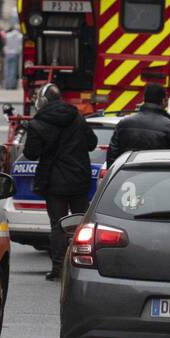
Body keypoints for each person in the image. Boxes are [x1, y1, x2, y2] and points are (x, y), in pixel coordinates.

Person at [23, 83, 98, 280]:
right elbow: (92, 143)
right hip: (79, 178)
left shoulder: (38, 123)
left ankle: (58, 268)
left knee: (57, 224)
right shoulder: (76, 117)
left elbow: (30, 153)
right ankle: (82, 265)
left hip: (54, 181)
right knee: (81, 224)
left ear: (42, 101)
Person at [107, 83, 170, 165]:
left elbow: (112, 155)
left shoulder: (123, 124)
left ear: (144, 99)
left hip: (127, 175)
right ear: (163, 101)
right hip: (159, 175)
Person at [3, 23, 23, 91]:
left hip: (8, 53)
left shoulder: (8, 35)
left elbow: (5, 43)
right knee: (13, 70)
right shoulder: (20, 36)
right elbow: (20, 46)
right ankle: (12, 85)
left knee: (7, 70)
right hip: (15, 53)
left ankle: (7, 85)